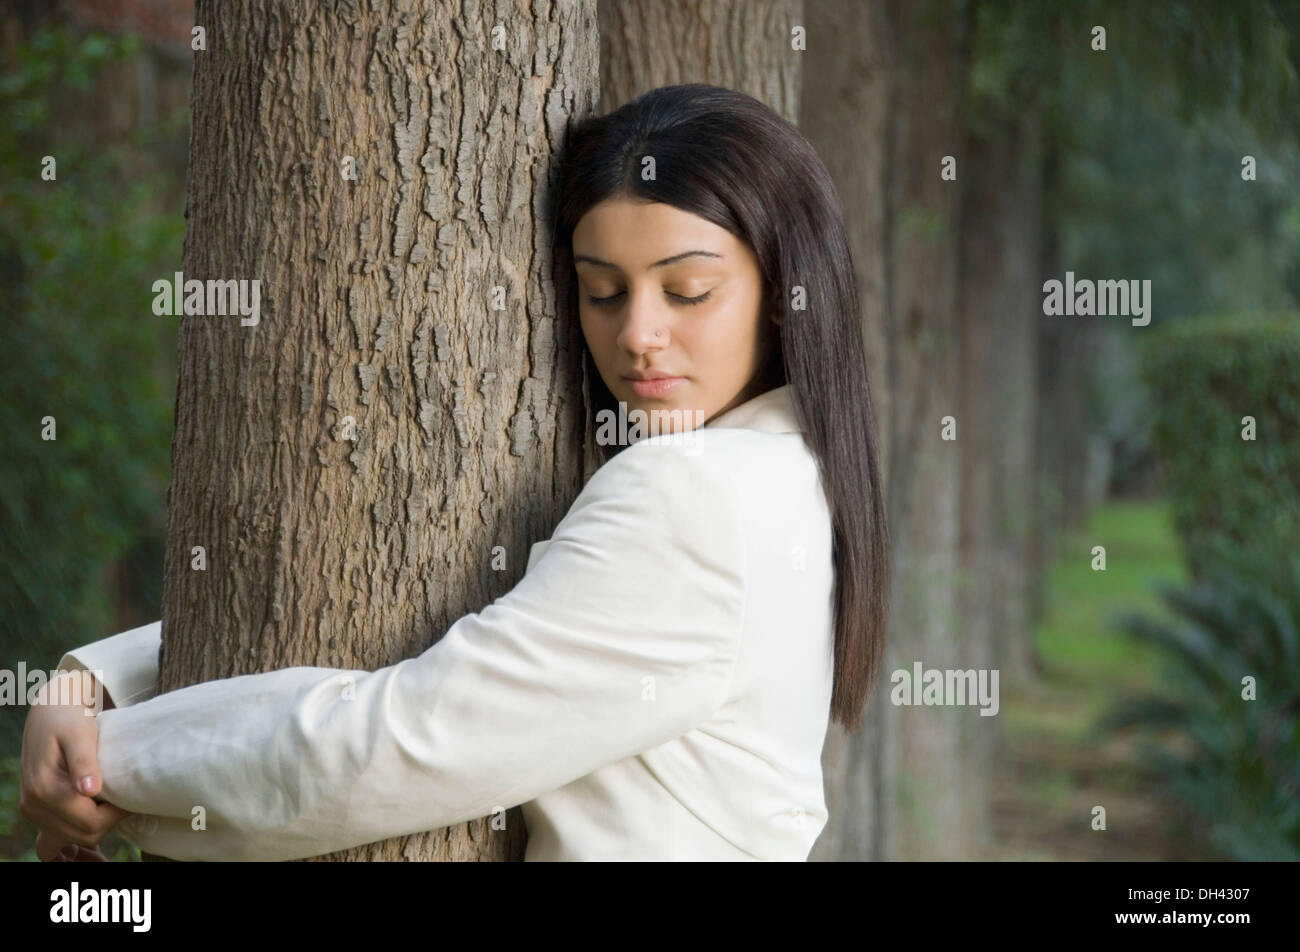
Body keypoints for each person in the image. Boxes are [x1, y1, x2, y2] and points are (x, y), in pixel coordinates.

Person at [19, 83, 890, 862]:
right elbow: (461, 630)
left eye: (688, 291)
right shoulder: (788, 476)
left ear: (785, 290)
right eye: (602, 290)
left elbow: (397, 745)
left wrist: (107, 761)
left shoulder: (695, 495)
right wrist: (101, 676)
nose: (637, 334)